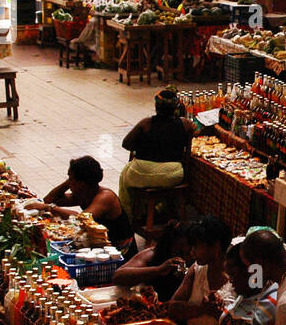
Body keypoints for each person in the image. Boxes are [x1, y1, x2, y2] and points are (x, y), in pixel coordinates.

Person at [118, 87, 195, 216]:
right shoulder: (186, 124)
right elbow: (197, 132)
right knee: (132, 173)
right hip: (173, 175)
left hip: (142, 173)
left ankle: (128, 216)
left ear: (156, 106)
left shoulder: (146, 124)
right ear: (176, 106)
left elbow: (126, 144)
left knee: (125, 175)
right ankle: (160, 211)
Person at [39, 155, 137, 257]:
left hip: (119, 250)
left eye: (71, 179)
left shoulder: (105, 197)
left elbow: (82, 218)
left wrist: (49, 208)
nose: (69, 182)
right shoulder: (83, 193)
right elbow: (49, 200)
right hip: (100, 244)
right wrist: (70, 182)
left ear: (82, 183)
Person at [169, 215, 236, 325]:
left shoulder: (238, 278)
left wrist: (218, 313)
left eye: (196, 246)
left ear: (216, 246)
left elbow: (244, 324)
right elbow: (173, 309)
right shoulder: (196, 270)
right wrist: (202, 309)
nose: (192, 251)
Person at [112, 220, 195, 301]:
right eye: (179, 252)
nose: (185, 258)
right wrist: (158, 270)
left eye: (189, 253)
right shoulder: (154, 254)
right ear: (169, 246)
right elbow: (118, 277)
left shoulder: (199, 260)